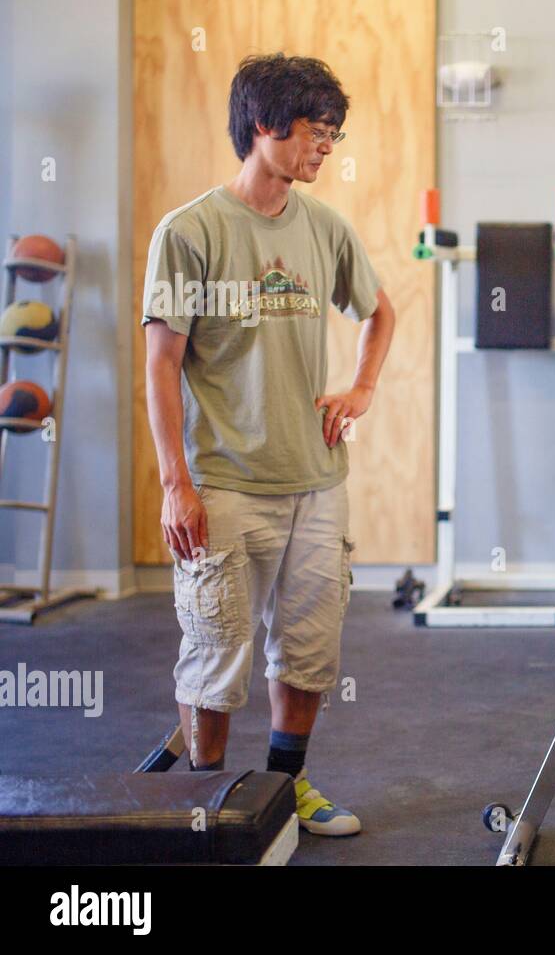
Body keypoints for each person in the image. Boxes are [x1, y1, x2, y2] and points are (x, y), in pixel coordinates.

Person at [141, 53, 396, 836]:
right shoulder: (190, 232)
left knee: (309, 652)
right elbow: (160, 362)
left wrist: (360, 390)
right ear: (263, 125)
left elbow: (379, 312)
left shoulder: (325, 227)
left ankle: (285, 792)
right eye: (317, 131)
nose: (327, 146)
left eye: (333, 133)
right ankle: (211, 806)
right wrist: (174, 483)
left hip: (316, 482)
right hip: (224, 482)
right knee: (216, 661)